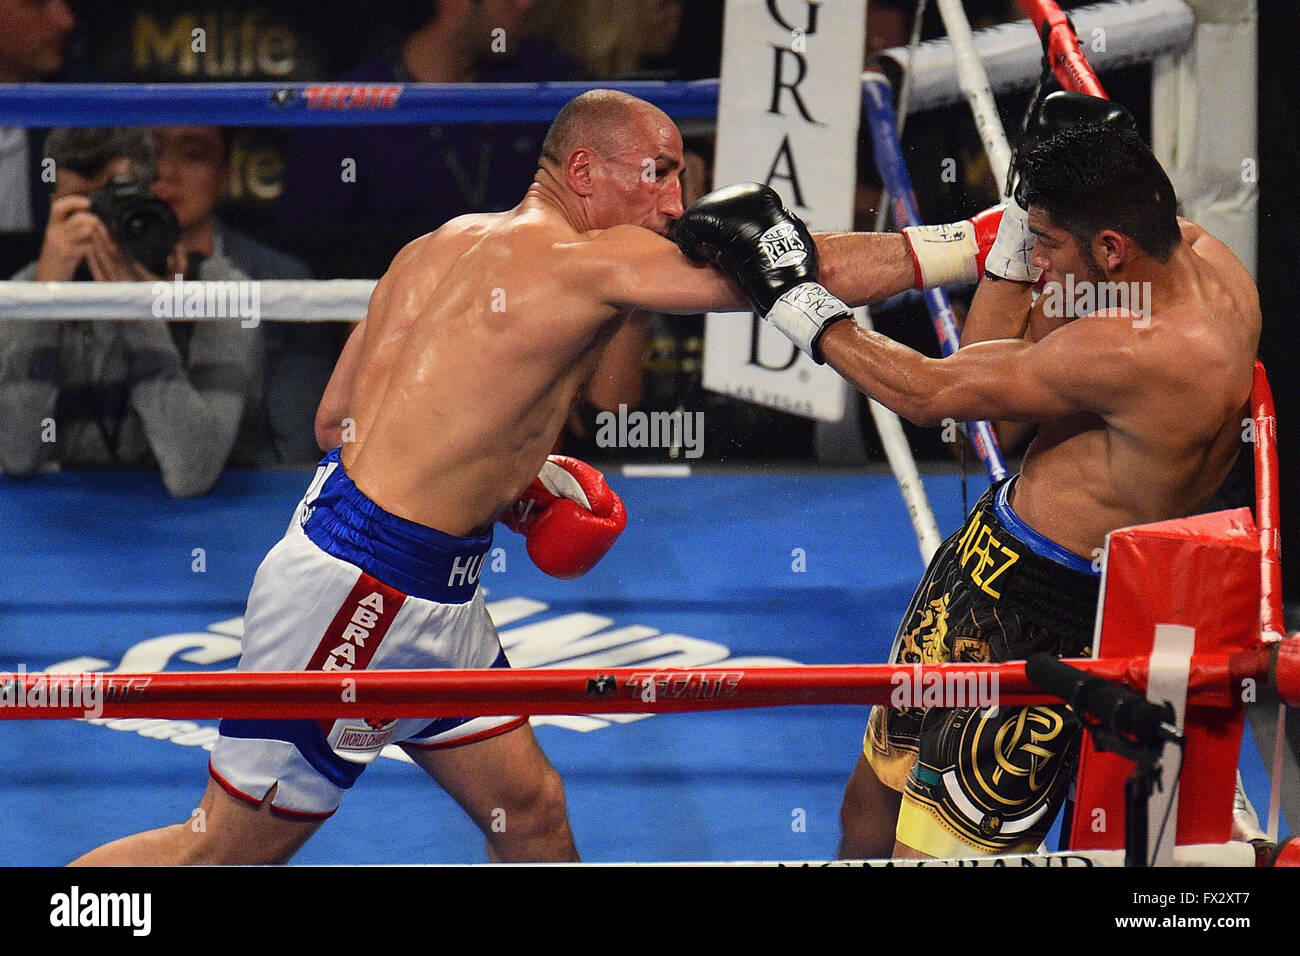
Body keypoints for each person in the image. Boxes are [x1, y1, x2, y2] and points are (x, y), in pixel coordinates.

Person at [673, 92, 1260, 859]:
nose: (1034, 258)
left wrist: (788, 296)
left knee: (933, 853)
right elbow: (996, 385)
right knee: (868, 812)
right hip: (985, 557)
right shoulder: (1193, 255)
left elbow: (934, 393)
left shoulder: (1139, 352)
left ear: (1111, 248)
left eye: (1044, 241)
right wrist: (1027, 214)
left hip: (1053, 610)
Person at [0, 127, 263, 498]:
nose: (99, 228)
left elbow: (192, 471)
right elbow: (16, 455)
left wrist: (137, 312)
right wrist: (43, 304)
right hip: (66, 528)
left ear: (153, 196)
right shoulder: (26, 289)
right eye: (81, 209)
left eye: (112, 203)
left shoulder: (220, 290)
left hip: (195, 531)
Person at [151, 124, 331, 466]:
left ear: (225, 174)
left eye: (193, 155)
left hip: (249, 498)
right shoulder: (92, 274)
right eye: (151, 152)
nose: (166, 172)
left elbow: (292, 448)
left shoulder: (282, 281)